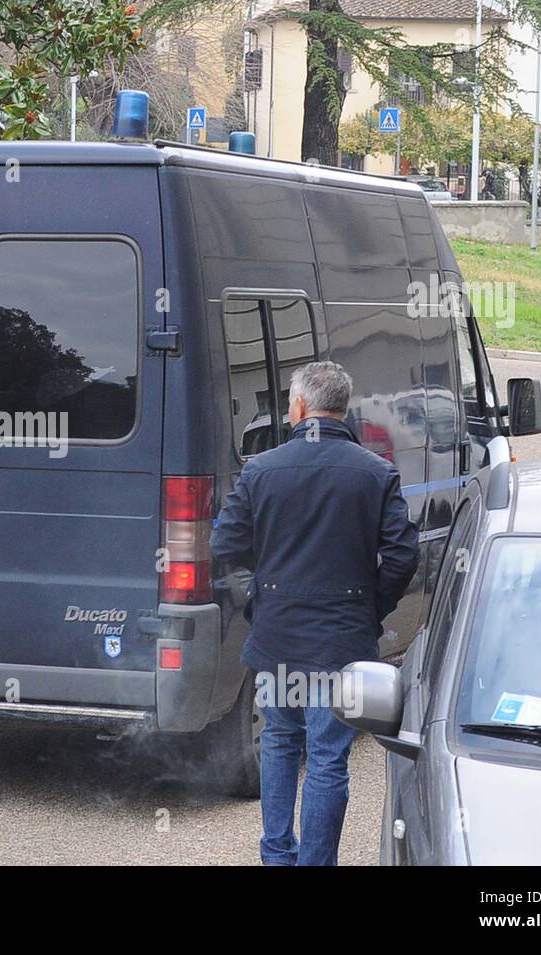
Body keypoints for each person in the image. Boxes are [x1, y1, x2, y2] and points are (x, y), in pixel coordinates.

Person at [210, 360, 418, 866]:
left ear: (299, 406)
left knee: (280, 742)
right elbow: (403, 556)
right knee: (327, 760)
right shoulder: (375, 473)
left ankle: (277, 854)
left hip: (277, 639)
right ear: (341, 408)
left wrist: (257, 601)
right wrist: (370, 609)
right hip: (341, 645)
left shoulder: (261, 470)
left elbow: (225, 545)